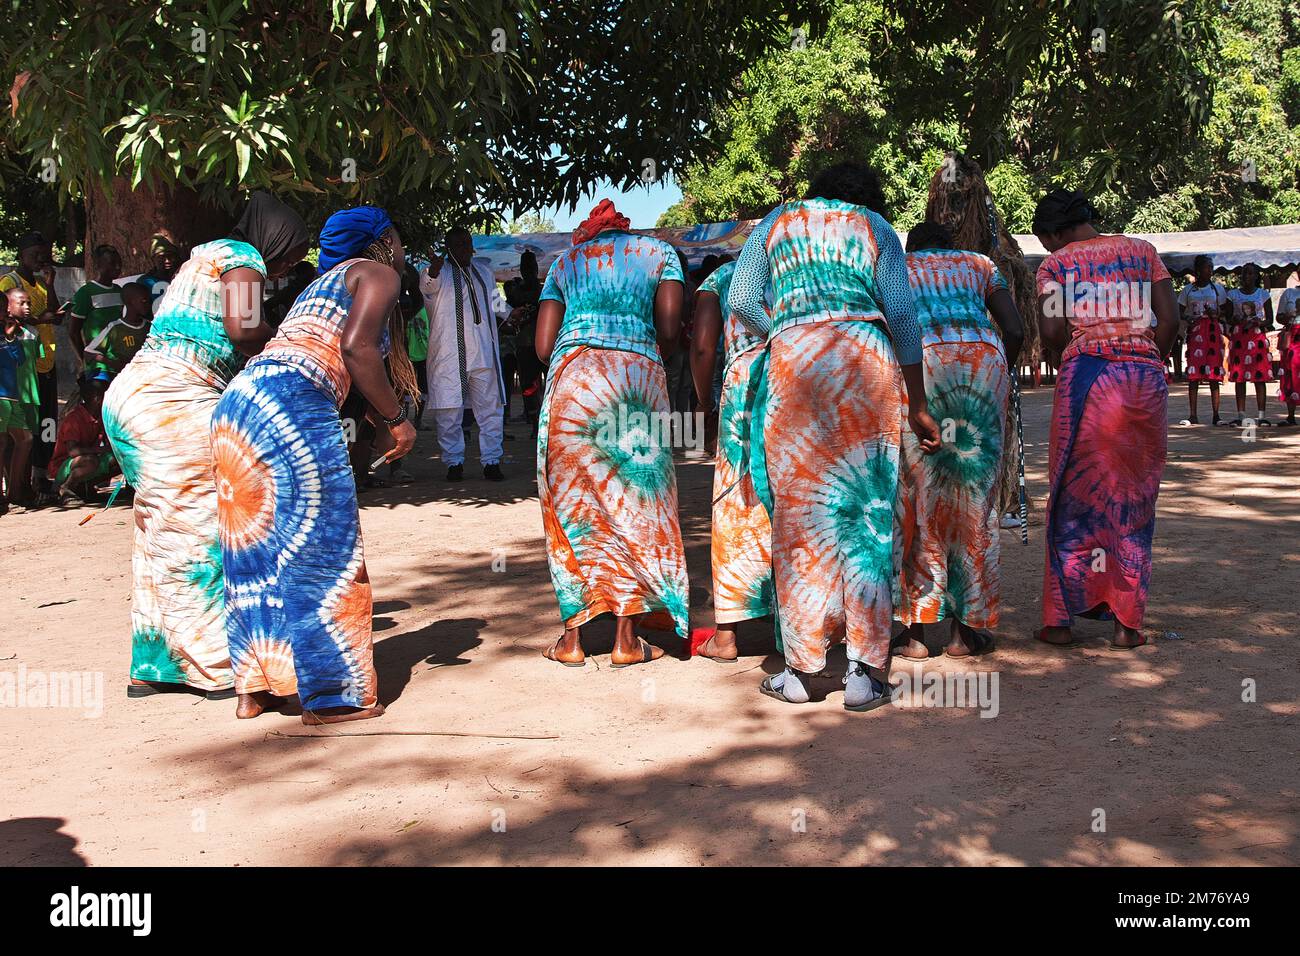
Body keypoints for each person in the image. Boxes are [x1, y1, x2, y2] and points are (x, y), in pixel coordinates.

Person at [729, 162, 941, 711]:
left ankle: (801, 671)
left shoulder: (774, 223)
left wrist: (789, 323)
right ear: (864, 197)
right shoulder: (875, 227)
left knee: (799, 517)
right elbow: (901, 314)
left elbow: (742, 299)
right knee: (866, 513)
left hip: (794, 367)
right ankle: (865, 674)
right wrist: (918, 403)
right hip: (862, 367)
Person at [213, 205, 416, 724]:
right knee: (323, 544)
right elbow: (356, 349)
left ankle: (256, 688)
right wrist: (398, 421)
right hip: (295, 402)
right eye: (396, 235)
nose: (401, 246)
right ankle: (335, 693)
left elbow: (348, 358)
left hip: (239, 404)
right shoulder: (378, 273)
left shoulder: (315, 289)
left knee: (251, 547)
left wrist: (379, 423)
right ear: (382, 239)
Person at [102, 191, 309, 701]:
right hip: (171, 405)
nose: (282, 272)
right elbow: (242, 328)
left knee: (160, 533)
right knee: (200, 533)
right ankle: (212, 666)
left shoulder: (205, 255)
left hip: (134, 399)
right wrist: (288, 342)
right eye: (288, 259)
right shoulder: (242, 259)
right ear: (275, 241)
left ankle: (153, 665)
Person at [535, 199, 689, 667]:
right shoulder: (659, 254)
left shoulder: (565, 261)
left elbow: (543, 346)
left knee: (570, 505)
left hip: (573, 384)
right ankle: (626, 639)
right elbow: (667, 327)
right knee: (637, 505)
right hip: (635, 385)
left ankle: (572, 639)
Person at [1032, 188, 1178, 650]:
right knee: (1134, 499)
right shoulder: (1143, 252)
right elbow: (1170, 319)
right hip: (1144, 378)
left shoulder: (1055, 265)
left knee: (1073, 497)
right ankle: (1125, 625)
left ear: (1054, 232)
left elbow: (1053, 331)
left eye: (1046, 240)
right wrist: (1149, 357)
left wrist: (1079, 348)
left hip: (1088, 380)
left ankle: (1059, 622)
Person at [892, 221, 1023, 660]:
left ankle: (914, 633)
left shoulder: (896, 266)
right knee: (973, 500)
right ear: (951, 246)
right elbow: (1016, 328)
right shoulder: (981, 265)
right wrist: (1007, 371)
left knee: (916, 497)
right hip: (982, 368)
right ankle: (963, 634)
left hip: (920, 368)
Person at [687, 256, 773, 662]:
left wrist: (704, 403)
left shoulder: (723, 277)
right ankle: (799, 626)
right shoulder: (794, 271)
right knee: (793, 496)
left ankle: (726, 636)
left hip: (743, 387)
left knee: (736, 501)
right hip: (798, 377)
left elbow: (703, 346)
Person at [420, 225, 505, 481]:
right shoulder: (436, 272)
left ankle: (492, 461)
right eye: (457, 245)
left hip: (483, 353)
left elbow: (496, 303)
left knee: (490, 409)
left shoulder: (484, 272)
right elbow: (427, 287)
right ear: (448, 249)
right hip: (449, 355)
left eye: (467, 244)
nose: (464, 249)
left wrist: (511, 314)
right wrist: (433, 270)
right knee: (449, 411)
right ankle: (453, 462)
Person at [1, 233, 61, 491]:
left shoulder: (40, 282)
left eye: (43, 254)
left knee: (47, 422)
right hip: (24, 367)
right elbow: (4, 318)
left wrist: (50, 284)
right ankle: (18, 483)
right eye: (35, 254)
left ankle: (41, 473)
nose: (40, 259)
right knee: (21, 428)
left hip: (46, 358)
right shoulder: (10, 281)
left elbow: (56, 315)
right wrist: (38, 319)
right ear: (21, 254)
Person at [48, 372, 117, 504]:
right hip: (62, 467)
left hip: (89, 458)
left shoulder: (100, 416)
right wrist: (101, 450)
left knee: (119, 458)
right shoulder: (74, 419)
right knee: (89, 461)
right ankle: (65, 488)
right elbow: (73, 451)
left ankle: (84, 487)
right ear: (97, 398)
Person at [1178, 254, 1228, 426]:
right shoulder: (1188, 290)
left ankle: (1216, 415)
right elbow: (1179, 311)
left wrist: (1217, 314)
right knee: (1194, 375)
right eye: (1207, 267)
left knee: (1214, 373)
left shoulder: (1218, 289)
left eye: (1211, 267)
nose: (1210, 270)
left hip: (1213, 334)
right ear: (1198, 270)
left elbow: (1225, 311)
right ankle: (1193, 415)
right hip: (1195, 334)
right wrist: (1188, 318)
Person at [2, 288, 40, 507]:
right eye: (21, 303)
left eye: (29, 303)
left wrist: (10, 338)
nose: (27, 307)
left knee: (23, 440)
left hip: (21, 396)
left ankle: (17, 490)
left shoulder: (28, 333)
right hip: (6, 396)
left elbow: (26, 361)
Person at [1224, 262, 1274, 425]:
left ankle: (1261, 415)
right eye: (1244, 273)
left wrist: (1260, 322)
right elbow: (1228, 318)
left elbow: (1270, 319)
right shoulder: (1232, 294)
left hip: (1257, 338)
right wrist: (1236, 319)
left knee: (1259, 377)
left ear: (1256, 276)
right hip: (1239, 338)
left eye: (1251, 273)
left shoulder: (1263, 294)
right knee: (1239, 376)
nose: (1247, 276)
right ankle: (1241, 415)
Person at [504, 250, 545, 434]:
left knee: (532, 384)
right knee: (529, 384)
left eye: (530, 266)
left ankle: (538, 420)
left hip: (535, 342)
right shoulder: (520, 289)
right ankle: (536, 420)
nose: (528, 270)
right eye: (526, 266)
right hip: (532, 342)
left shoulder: (531, 289)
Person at [69, 245, 124, 375]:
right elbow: (73, 331)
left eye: (119, 263)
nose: (117, 267)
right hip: (99, 365)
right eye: (112, 263)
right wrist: (84, 360)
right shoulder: (86, 292)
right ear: (98, 265)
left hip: (118, 362)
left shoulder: (120, 290)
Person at [84, 282, 151, 376]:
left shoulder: (150, 327)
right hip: (119, 376)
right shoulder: (115, 327)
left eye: (149, 300)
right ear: (129, 302)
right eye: (144, 301)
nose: (148, 304)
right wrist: (116, 365)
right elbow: (89, 352)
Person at [1276, 279, 1300, 425]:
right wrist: (1290, 315)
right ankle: (1290, 415)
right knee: (1290, 371)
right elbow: (1278, 317)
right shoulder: (1289, 293)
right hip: (1293, 336)